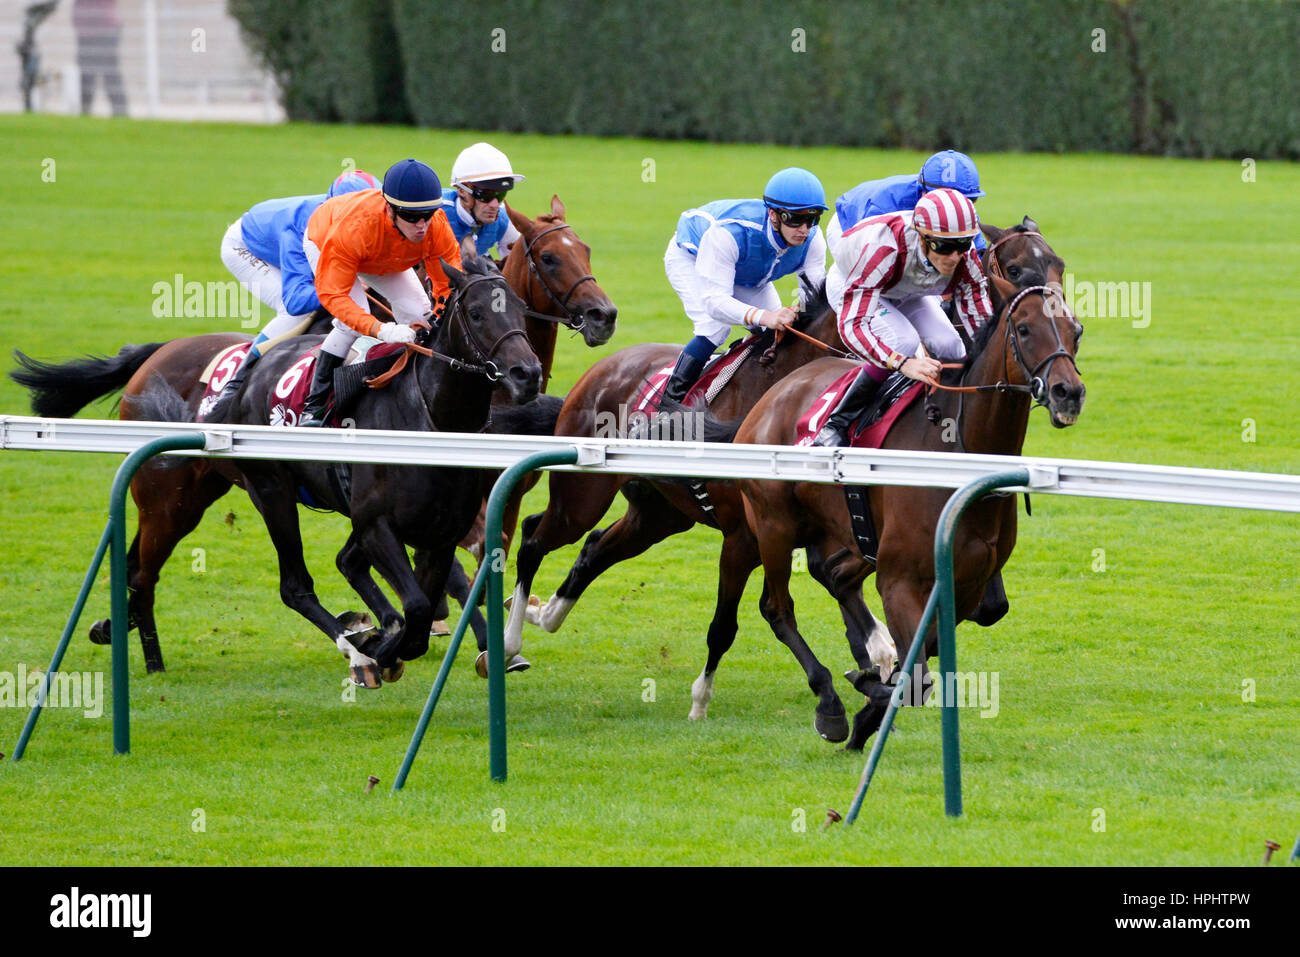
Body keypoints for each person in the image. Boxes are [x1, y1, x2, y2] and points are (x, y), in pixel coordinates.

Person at [812, 187, 992, 447]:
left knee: (952, 347)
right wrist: (902, 363)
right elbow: (853, 326)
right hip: (857, 283)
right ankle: (836, 422)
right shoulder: (882, 248)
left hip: (907, 287)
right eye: (944, 246)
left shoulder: (965, 253)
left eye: (962, 245)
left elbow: (980, 315)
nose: (954, 257)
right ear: (921, 237)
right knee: (903, 342)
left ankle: (947, 419)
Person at [297, 158, 462, 427]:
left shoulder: (436, 227)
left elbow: (446, 284)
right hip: (328, 238)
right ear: (389, 209)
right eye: (411, 216)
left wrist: (437, 315)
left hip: (386, 253)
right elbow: (334, 296)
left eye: (428, 214)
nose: (421, 225)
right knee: (352, 324)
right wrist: (380, 330)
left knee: (419, 313)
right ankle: (313, 406)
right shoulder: (353, 230)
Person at [659, 167, 829, 408]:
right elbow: (715, 303)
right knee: (715, 329)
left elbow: (813, 300)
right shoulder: (730, 233)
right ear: (773, 214)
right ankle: (667, 409)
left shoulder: (813, 240)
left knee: (777, 336)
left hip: (747, 273)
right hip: (692, 258)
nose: (804, 229)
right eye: (796, 218)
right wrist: (767, 316)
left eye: (812, 219)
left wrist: (795, 315)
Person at [214, 170, 381, 406]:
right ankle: (237, 383)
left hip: (276, 228)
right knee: (297, 310)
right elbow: (297, 300)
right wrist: (340, 293)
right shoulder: (302, 233)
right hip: (245, 247)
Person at [827, 149, 987, 257]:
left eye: (967, 201)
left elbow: (978, 251)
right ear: (923, 192)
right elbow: (873, 255)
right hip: (850, 224)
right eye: (945, 199)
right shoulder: (887, 207)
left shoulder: (957, 208)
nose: (953, 207)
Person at [439, 142, 525, 258]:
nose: (495, 204)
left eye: (500, 194)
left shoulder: (502, 219)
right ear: (462, 191)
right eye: (485, 195)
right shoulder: (434, 212)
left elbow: (518, 265)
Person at [72, 0, 126, 116]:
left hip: (106, 27)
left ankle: (120, 112)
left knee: (110, 74)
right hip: (85, 30)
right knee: (86, 76)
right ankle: (84, 113)